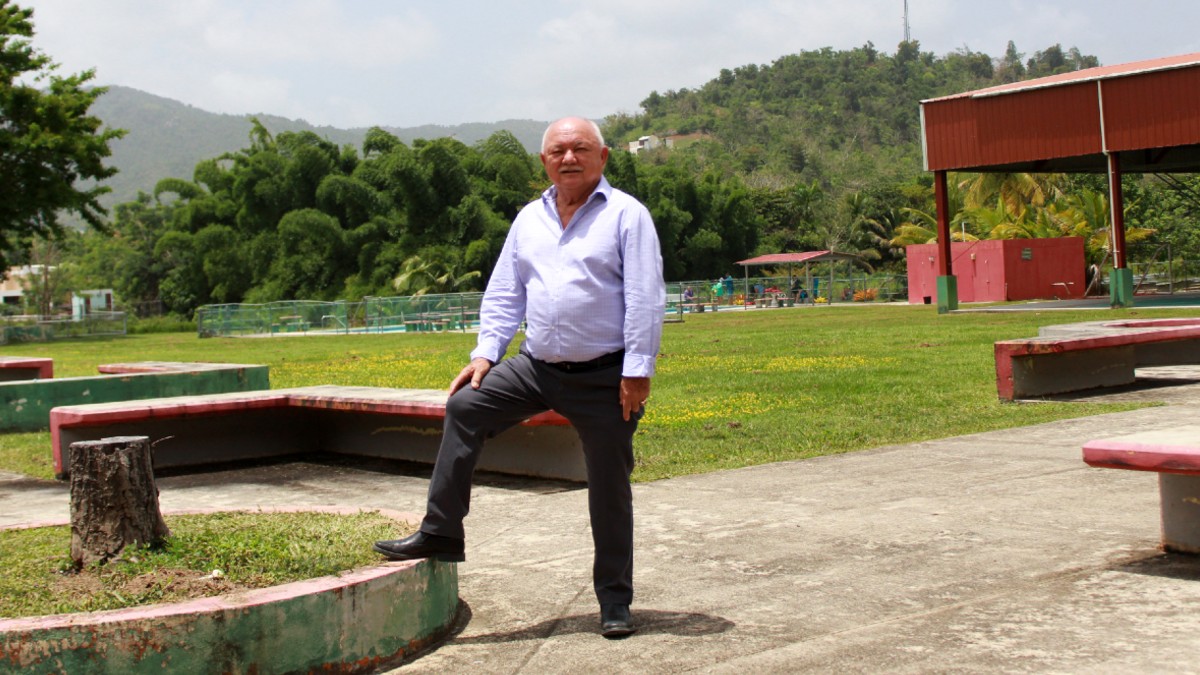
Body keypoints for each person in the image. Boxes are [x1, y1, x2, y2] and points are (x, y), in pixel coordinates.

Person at [373, 117, 666, 639]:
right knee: (465, 407)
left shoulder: (626, 215)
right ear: (544, 162)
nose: (569, 157)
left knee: (608, 486)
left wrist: (637, 370)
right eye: (558, 150)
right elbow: (506, 291)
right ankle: (441, 532)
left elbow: (645, 295)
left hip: (604, 378)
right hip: (536, 368)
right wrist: (486, 353)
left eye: (580, 149)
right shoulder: (528, 218)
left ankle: (614, 601)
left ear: (603, 158)